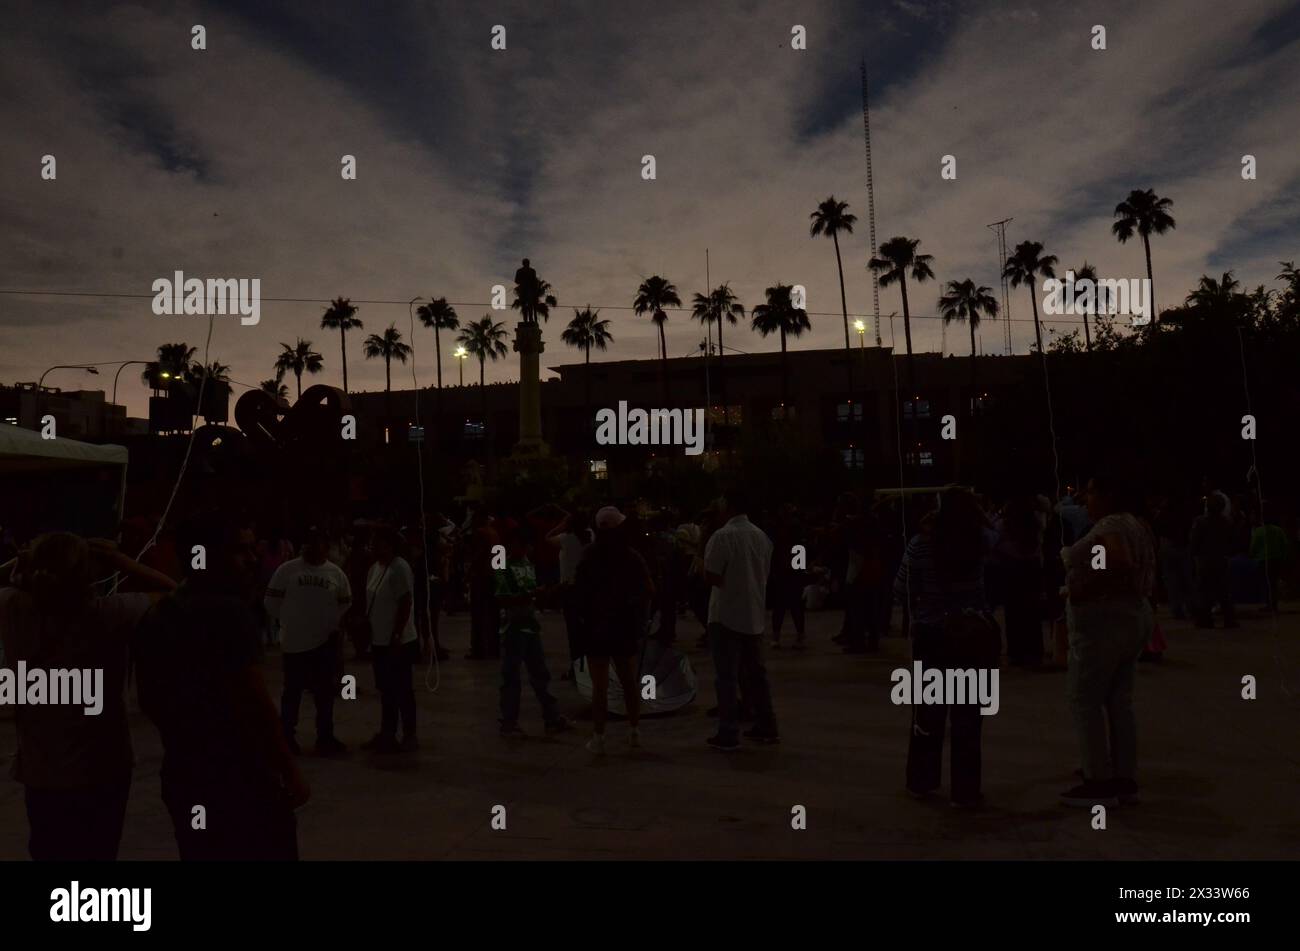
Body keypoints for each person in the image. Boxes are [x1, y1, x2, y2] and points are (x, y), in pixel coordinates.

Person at [134, 514, 308, 860]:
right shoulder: (228, 613)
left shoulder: (160, 613)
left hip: (185, 774)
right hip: (240, 778)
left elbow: (149, 699)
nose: (252, 559)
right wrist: (289, 770)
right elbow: (255, 700)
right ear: (205, 556)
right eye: (240, 551)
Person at [0, 534, 175, 860]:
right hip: (103, 767)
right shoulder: (112, 612)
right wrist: (121, 562)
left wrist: (20, 561)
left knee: (48, 850)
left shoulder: (13, 607)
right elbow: (175, 593)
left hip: (42, 769)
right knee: (98, 852)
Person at [894, 489, 995, 808]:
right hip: (972, 635)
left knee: (928, 714)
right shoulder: (980, 542)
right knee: (968, 717)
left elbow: (900, 588)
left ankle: (922, 781)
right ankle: (966, 791)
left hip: (932, 636)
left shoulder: (920, 545)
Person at [1059, 472, 1156, 807]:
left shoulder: (1111, 526)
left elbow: (1117, 561)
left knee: (1085, 699)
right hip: (1132, 617)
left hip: (1105, 624)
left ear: (1108, 495)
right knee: (1119, 701)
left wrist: (1084, 589)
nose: (1086, 500)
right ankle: (1122, 775)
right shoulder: (1135, 524)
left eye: (1090, 492)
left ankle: (1097, 778)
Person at [264, 526, 351, 756]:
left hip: (324, 642)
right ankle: (287, 737)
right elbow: (271, 602)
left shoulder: (335, 573)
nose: (313, 547)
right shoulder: (287, 570)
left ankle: (325, 736)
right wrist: (290, 622)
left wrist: (331, 625)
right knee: (292, 692)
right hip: (295, 642)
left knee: (324, 693)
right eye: (309, 542)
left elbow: (344, 604)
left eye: (319, 542)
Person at [704, 487, 777, 751]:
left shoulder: (722, 536)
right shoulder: (761, 537)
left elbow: (711, 575)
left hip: (725, 615)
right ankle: (767, 725)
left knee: (727, 677)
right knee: (757, 673)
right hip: (753, 613)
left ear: (728, 507)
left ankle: (728, 731)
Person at [575, 506, 651, 754]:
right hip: (624, 625)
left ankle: (599, 736)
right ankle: (634, 730)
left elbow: (580, 592)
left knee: (599, 686)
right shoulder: (632, 556)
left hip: (596, 627)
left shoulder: (588, 556)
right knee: (629, 681)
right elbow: (648, 589)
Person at [494, 523, 571, 736]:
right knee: (511, 677)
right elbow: (501, 598)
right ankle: (509, 721)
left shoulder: (528, 564)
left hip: (530, 626)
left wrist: (551, 592)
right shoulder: (503, 564)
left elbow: (533, 597)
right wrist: (530, 595)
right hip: (512, 627)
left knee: (540, 673)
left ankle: (551, 716)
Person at [362, 526, 420, 752]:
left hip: (398, 641)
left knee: (403, 688)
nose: (373, 547)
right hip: (379, 639)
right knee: (386, 689)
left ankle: (409, 733)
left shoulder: (399, 567)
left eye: (377, 542)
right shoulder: (374, 568)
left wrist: (397, 632)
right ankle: (387, 732)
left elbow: (405, 601)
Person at [992, 494, 1044, 668]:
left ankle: (1017, 652)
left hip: (1011, 568)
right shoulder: (1035, 523)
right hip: (1032, 568)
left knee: (1013, 612)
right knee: (1032, 611)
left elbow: (993, 541)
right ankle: (1035, 650)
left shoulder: (1003, 525)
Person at [546, 508, 592, 679]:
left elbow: (547, 538)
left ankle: (576, 669)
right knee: (586, 631)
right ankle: (587, 667)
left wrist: (561, 525)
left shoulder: (566, 539)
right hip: (587, 589)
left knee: (574, 633)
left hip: (570, 589)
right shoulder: (590, 536)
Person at [1190, 492, 1236, 629]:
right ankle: (1229, 619)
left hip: (1205, 560)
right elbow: (1232, 542)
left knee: (1204, 591)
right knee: (1224, 590)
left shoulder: (1200, 522)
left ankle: (1205, 619)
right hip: (1221, 559)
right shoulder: (1227, 522)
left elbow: (1194, 541)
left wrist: (1194, 554)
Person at [768, 504, 808, 649]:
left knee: (791, 605)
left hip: (790, 570)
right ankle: (785, 635)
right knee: (784, 605)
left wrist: (800, 570)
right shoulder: (779, 527)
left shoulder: (792, 527)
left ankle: (796, 635)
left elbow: (800, 548)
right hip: (784, 570)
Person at [467, 508, 501, 659]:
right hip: (493, 575)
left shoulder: (480, 533)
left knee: (478, 614)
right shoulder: (494, 533)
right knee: (493, 614)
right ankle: (494, 647)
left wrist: (470, 570)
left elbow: (479, 554)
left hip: (481, 576)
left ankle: (478, 649)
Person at [1249, 503, 1290, 613]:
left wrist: (1252, 556)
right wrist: (1284, 557)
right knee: (1273, 582)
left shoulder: (1258, 531)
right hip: (1276, 560)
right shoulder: (1278, 530)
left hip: (1263, 560)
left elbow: (1254, 547)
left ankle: (1269, 604)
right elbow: (1285, 545)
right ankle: (1274, 604)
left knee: (1266, 583)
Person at [514, 258, 540, 322]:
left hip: (530, 290)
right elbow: (516, 280)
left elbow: (534, 281)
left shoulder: (532, 271)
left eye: (527, 262)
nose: (526, 264)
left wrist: (535, 290)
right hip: (523, 290)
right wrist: (522, 281)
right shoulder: (519, 271)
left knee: (530, 304)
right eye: (525, 262)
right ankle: (525, 320)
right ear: (523, 263)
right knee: (524, 305)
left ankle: (530, 319)